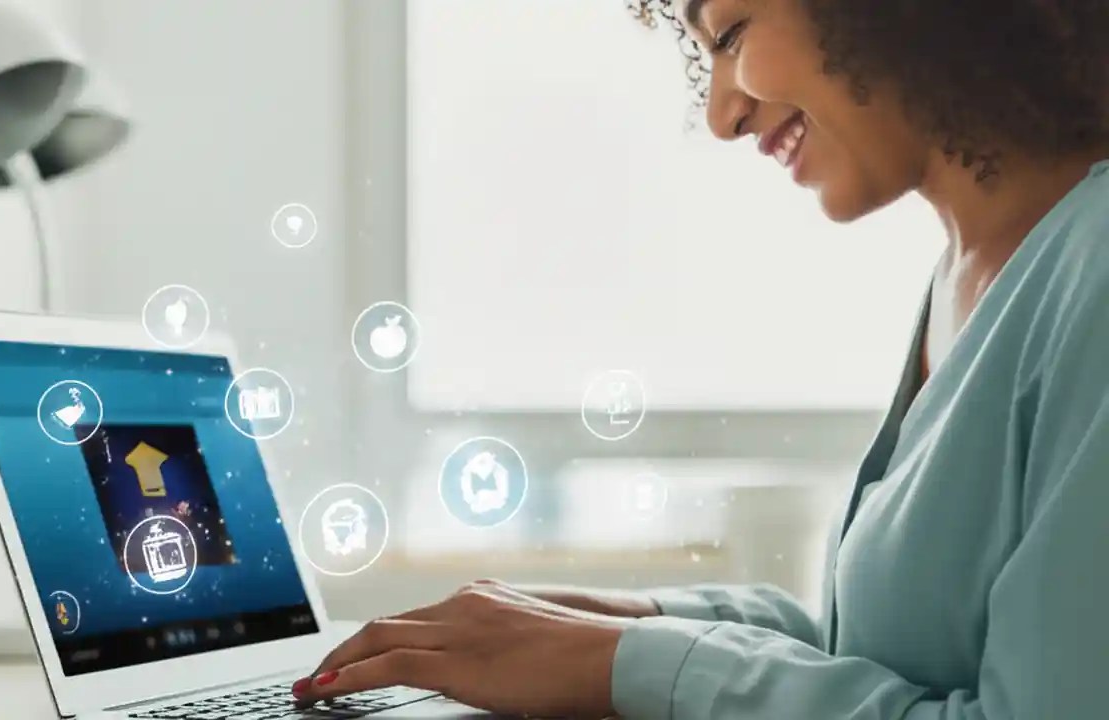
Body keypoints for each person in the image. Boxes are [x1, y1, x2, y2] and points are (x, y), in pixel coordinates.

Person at [293, 0, 1109, 717]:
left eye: (730, 32)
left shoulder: (1095, 268)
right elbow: (879, 652)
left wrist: (618, 664)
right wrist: (621, 622)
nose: (722, 115)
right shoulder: (972, 274)